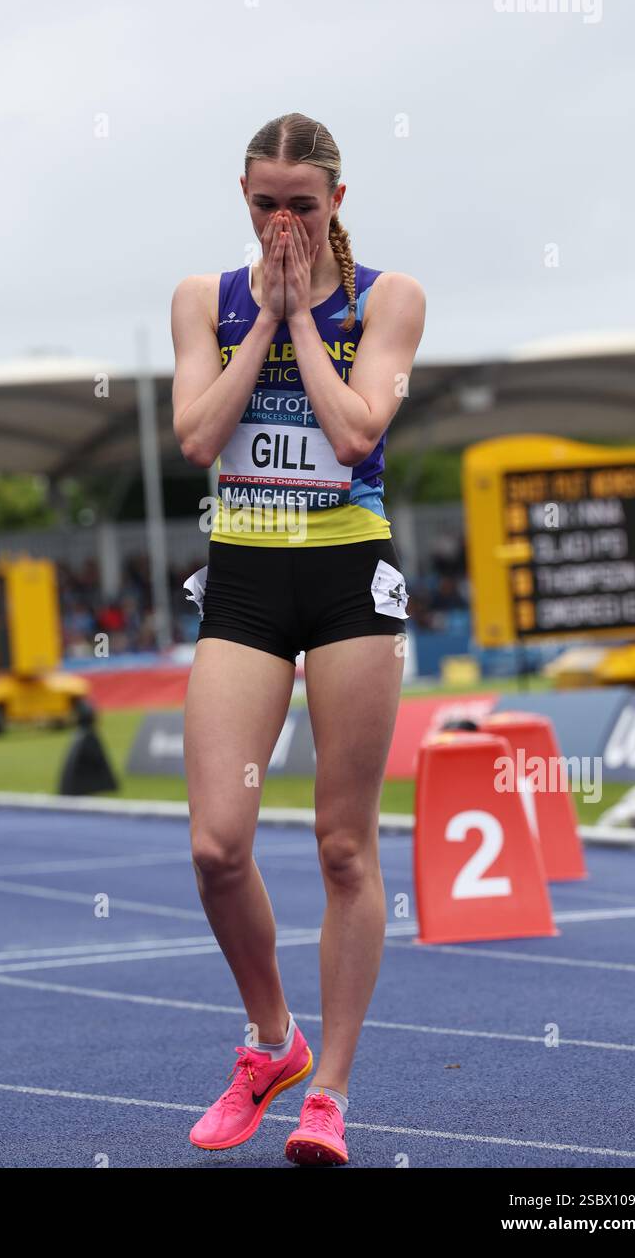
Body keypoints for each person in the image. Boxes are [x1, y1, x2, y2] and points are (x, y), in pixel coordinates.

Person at [170, 112, 426, 1166]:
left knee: (339, 844)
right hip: (243, 575)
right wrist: (262, 323)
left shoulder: (388, 300)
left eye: (303, 206)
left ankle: (327, 1093)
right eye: (267, 204)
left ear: (335, 205)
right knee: (216, 845)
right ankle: (270, 1041)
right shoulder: (204, 300)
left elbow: (360, 429)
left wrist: (303, 325)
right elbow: (195, 437)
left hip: (345, 579)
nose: (283, 222)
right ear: (243, 197)